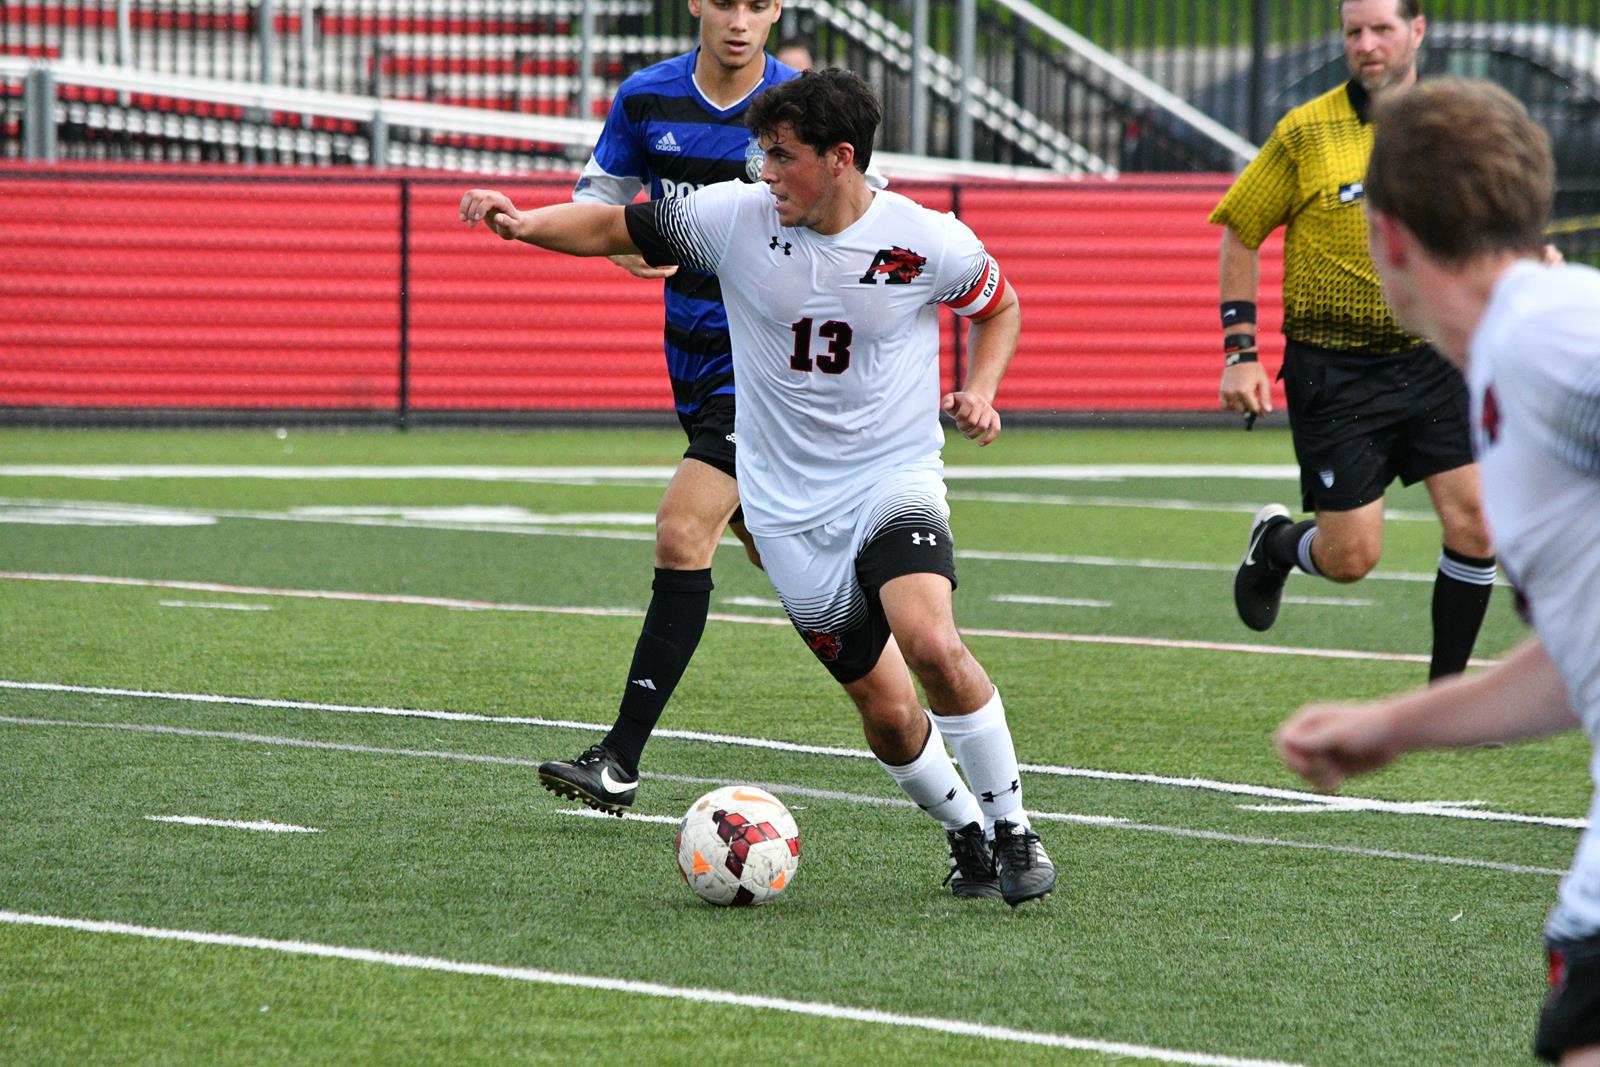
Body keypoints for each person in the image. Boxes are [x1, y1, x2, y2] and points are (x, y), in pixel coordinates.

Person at [462, 69, 1055, 906]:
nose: (763, 171)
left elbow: (998, 305)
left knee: (930, 640)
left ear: (840, 158)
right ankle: (964, 831)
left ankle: (1014, 826)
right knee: (885, 710)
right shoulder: (732, 217)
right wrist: (523, 225)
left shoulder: (927, 239)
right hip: (783, 508)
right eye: (760, 153)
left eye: (780, 155)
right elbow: (608, 227)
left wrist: (983, 389)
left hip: (892, 478)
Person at [1275, 78, 1600, 1065]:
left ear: (1389, 238)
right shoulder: (1512, 352)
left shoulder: (1542, 335)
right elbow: (1579, 657)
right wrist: (1395, 725)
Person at [536, 0, 799, 817]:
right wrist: (541, 228)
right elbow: (603, 205)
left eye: (758, 4)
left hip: (765, 370)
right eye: (726, 0)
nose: (739, 20)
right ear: (696, 2)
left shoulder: (801, 108)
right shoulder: (647, 97)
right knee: (794, 564)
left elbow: (850, 218)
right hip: (690, 363)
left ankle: (618, 758)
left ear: (777, 10)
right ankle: (914, 685)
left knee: (683, 531)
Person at [1212, 0, 1497, 681]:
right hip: (1334, 370)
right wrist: (1241, 353)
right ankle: (1276, 546)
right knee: (1350, 558)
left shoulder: (1454, 129)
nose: (1366, 45)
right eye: (1354, 32)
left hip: (1434, 359)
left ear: (1417, 31)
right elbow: (1241, 232)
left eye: (1382, 30)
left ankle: (1446, 693)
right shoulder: (1307, 133)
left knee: (1477, 523)